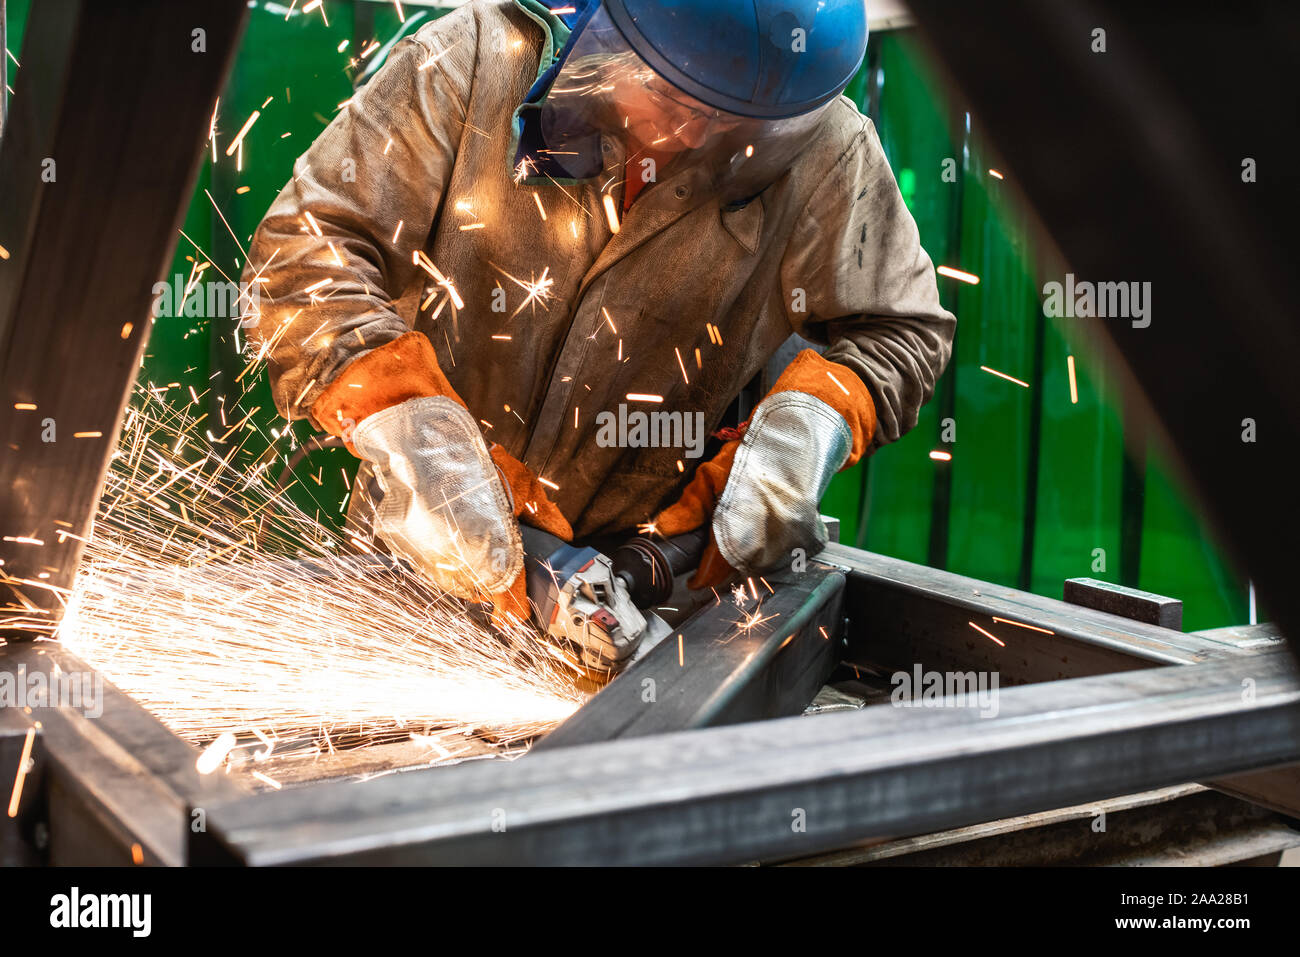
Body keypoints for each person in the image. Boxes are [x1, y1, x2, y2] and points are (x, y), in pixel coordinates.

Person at [244, 0, 956, 669]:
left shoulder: (826, 147)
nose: (694, 137)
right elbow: (303, 259)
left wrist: (804, 434)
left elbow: (902, 332)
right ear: (613, 32)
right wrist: (416, 438)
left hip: (651, 586)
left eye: (736, 123)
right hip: (421, 559)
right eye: (673, 98)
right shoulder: (470, 66)